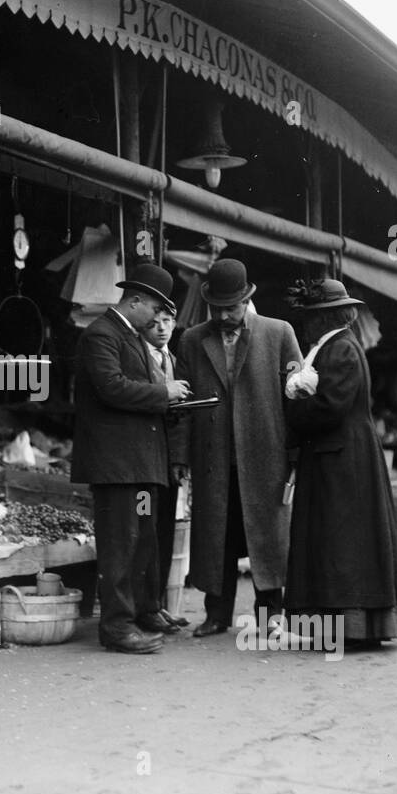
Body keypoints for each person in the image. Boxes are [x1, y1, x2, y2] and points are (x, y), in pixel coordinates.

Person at [171, 258, 302, 638]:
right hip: (213, 457)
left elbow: (297, 399)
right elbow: (182, 405)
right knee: (218, 536)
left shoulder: (279, 334)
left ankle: (271, 612)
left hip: (267, 454)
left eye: (232, 307)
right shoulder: (193, 339)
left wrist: (294, 455)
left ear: (247, 301)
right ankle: (216, 614)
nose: (225, 315)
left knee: (268, 534)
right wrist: (180, 456)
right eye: (217, 308)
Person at [283, 278, 397, 645]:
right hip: (342, 454)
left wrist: (293, 406)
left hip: (341, 456)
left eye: (312, 315)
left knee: (342, 541)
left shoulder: (339, 349)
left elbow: (330, 407)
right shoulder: (336, 346)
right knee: (345, 539)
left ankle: (350, 626)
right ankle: (355, 625)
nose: (307, 323)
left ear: (327, 318)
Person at [72, 263, 190, 654]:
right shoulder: (101, 335)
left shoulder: (132, 336)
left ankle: (146, 610)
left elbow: (135, 387)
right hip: (117, 465)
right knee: (120, 544)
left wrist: (170, 397)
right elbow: (111, 387)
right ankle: (117, 627)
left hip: (139, 463)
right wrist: (164, 393)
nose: (158, 318)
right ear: (135, 300)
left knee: (143, 540)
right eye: (155, 308)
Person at [139, 303, 189, 630]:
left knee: (163, 534)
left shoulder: (173, 359)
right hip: (142, 461)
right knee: (144, 534)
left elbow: (181, 416)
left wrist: (180, 458)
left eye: (167, 321)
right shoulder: (137, 357)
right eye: (154, 322)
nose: (161, 328)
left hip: (167, 462)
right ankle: (144, 607)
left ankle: (156, 604)